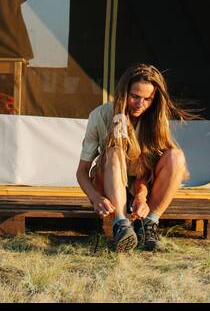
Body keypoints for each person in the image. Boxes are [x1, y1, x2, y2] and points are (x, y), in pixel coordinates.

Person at [76, 63, 191, 252]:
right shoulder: (99, 115)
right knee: (115, 150)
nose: (140, 104)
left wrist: (141, 196)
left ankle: (148, 225)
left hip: (139, 184)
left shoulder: (155, 120)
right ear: (123, 93)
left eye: (147, 99)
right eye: (135, 97)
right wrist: (95, 197)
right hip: (107, 182)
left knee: (176, 156)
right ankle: (121, 226)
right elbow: (81, 172)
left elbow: (144, 172)